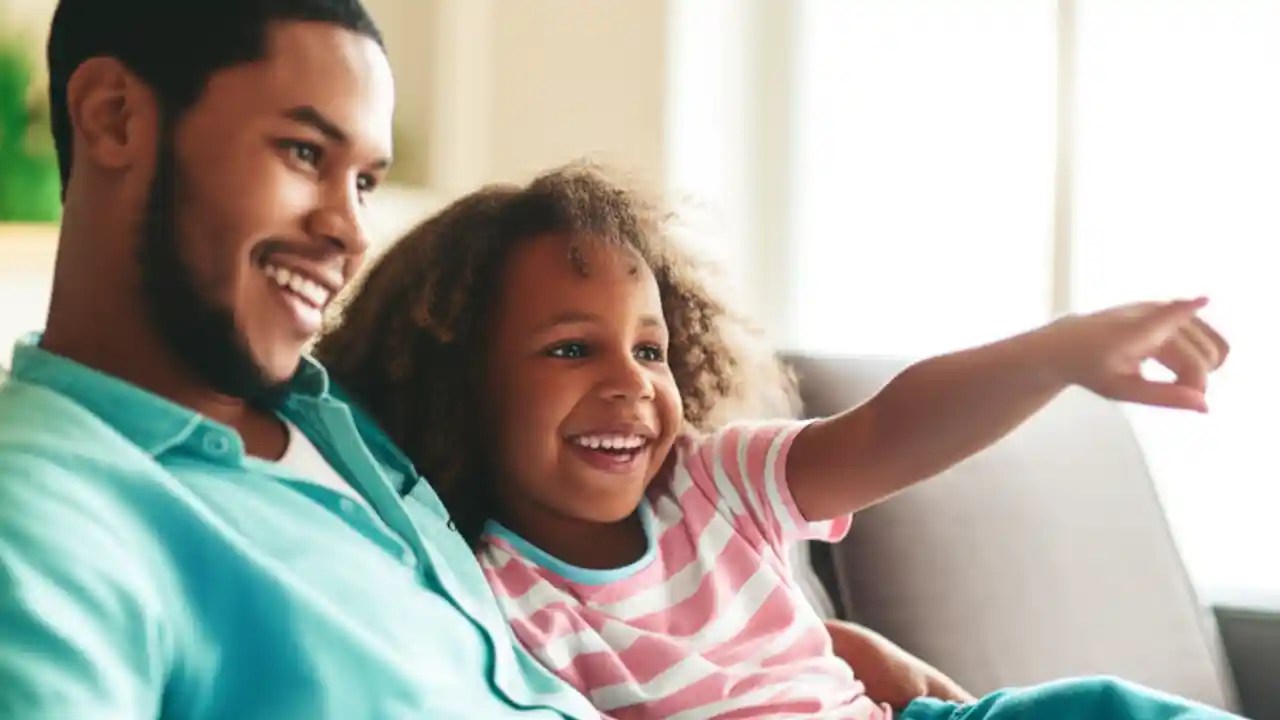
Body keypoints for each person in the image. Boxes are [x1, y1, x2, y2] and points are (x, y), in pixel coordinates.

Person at [0, 2, 957, 717]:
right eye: (301, 152)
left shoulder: (354, 417)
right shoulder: (47, 511)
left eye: (365, 179)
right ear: (116, 117)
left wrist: (822, 644)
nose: (348, 228)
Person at [317, 164, 1238, 719]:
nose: (631, 381)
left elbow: (890, 429)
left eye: (650, 348)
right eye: (570, 348)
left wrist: (1058, 355)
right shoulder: (492, 597)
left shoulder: (712, 484)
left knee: (1107, 708)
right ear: (456, 385)